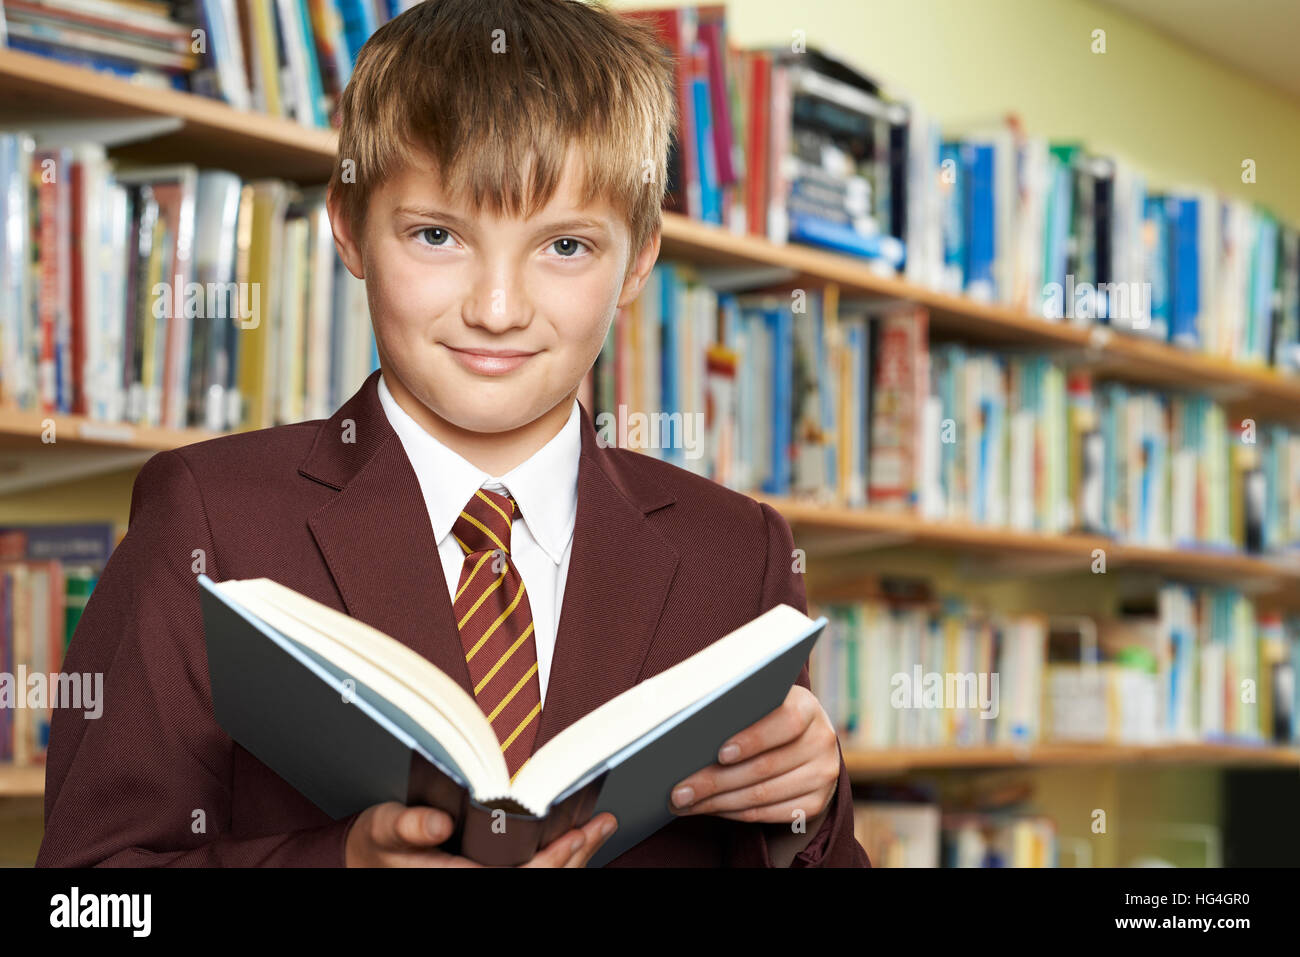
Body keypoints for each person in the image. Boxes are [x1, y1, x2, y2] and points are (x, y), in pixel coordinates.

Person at [38, 0, 869, 868]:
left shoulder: (739, 555)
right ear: (350, 228)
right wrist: (340, 863)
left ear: (641, 261)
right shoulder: (207, 518)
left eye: (566, 247)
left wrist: (809, 804)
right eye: (437, 235)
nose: (497, 309)